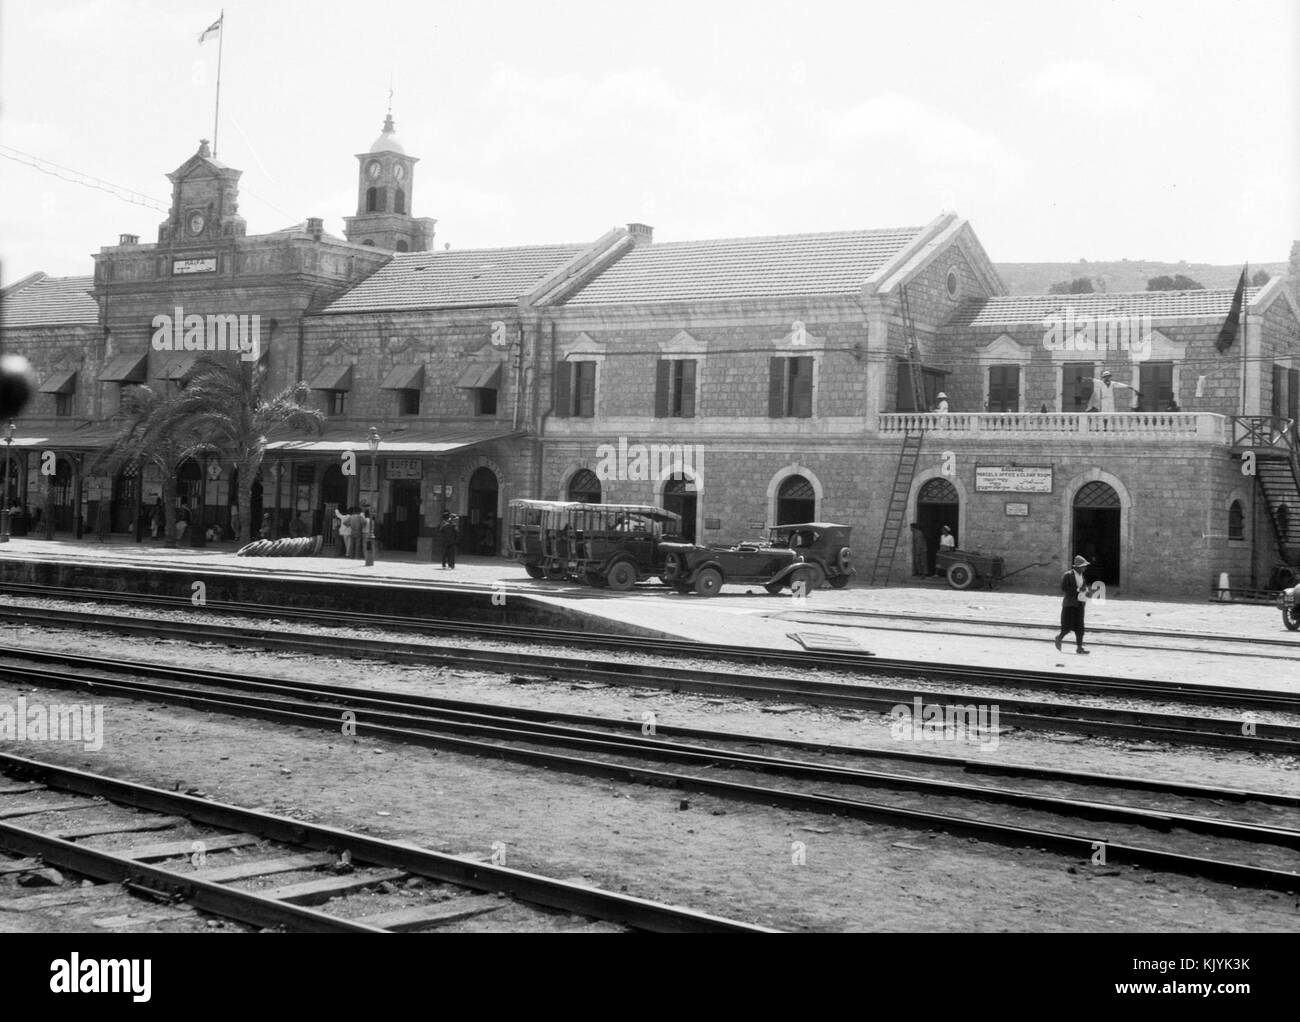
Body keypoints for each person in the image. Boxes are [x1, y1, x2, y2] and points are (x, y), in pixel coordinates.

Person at [1055, 555, 1092, 654]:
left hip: (1080, 604)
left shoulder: (1081, 576)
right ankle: (1059, 638)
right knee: (1067, 626)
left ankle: (1079, 647)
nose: (1085, 568)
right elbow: (1064, 588)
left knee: (1080, 627)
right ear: (1078, 567)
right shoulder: (1068, 575)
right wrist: (1078, 590)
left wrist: (1086, 592)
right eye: (1084, 566)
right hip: (1070, 604)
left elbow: (1083, 587)